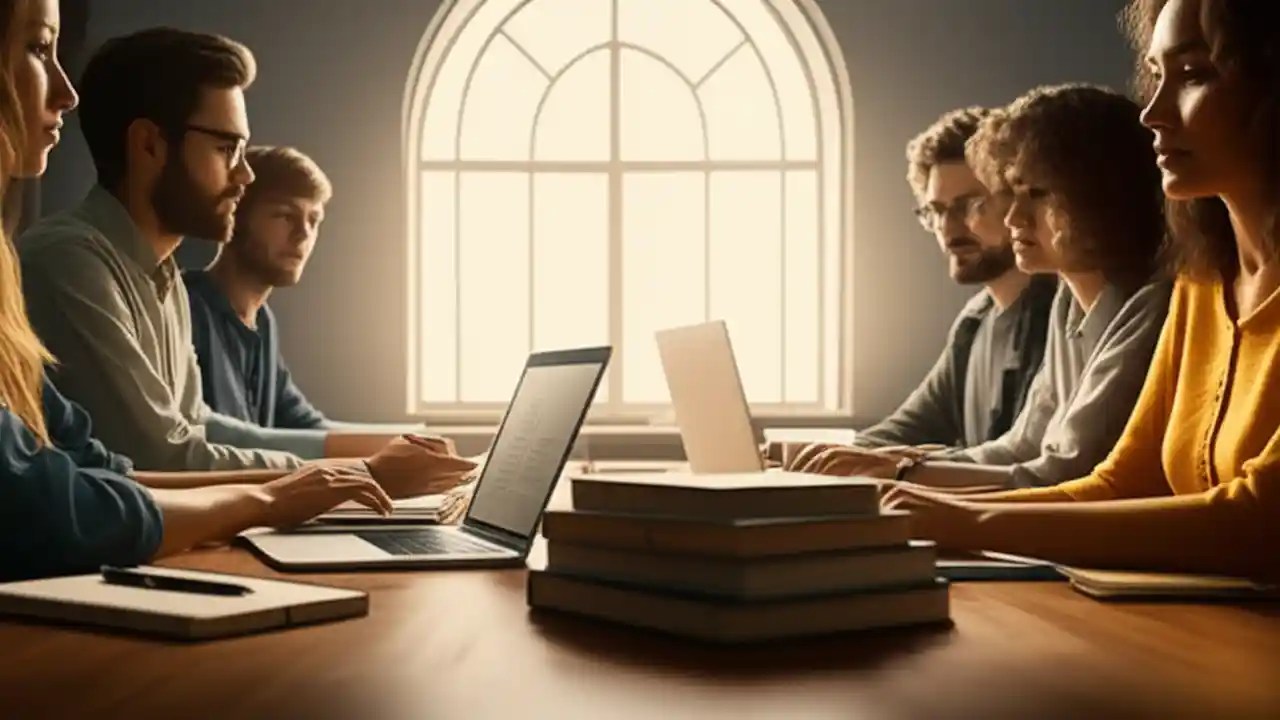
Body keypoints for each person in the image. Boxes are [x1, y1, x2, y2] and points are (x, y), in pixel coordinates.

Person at [0, 0, 469, 582]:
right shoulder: (68, 261)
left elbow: (192, 431)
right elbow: (160, 456)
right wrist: (343, 472)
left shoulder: (165, 277)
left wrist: (357, 464)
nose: (244, 176)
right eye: (227, 149)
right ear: (148, 146)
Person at [878, 0, 1280, 581]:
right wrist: (922, 510)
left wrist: (959, 520)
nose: (1154, 113)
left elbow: (1258, 519)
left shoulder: (1154, 298)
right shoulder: (1200, 282)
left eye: (1194, 75)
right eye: (1156, 76)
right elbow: (1118, 483)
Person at [794, 85, 1172, 491]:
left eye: (1036, 194)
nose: (1012, 215)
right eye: (937, 211)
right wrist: (891, 463)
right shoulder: (1060, 305)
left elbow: (1067, 472)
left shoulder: (1148, 307)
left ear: (1099, 195)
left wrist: (904, 474)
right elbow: (1019, 445)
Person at [837, 108, 1057, 453]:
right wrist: (804, 456)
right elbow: (912, 426)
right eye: (937, 211)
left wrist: (905, 463)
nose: (949, 229)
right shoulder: (976, 320)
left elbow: (1019, 459)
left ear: (1014, 200)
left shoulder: (1057, 314)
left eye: (970, 205)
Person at [184, 145, 392, 430]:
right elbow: (205, 436)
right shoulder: (185, 310)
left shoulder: (263, 322)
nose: (303, 234)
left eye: (314, 220)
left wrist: (411, 441)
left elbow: (302, 423)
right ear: (236, 215)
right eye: (285, 216)